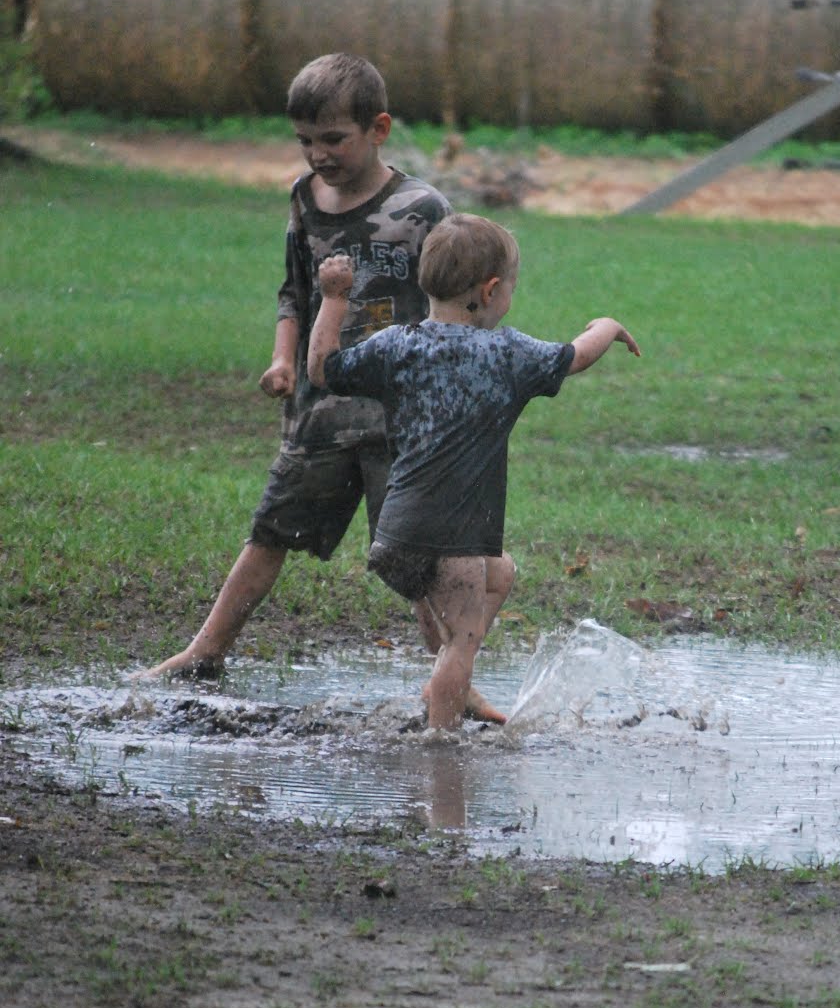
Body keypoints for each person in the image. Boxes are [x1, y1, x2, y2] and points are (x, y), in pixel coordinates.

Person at [141, 53, 508, 715]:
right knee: (270, 532)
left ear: (379, 128)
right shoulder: (303, 200)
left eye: (333, 139)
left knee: (416, 559)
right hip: (320, 413)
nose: (317, 154)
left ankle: (454, 682)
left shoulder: (422, 209)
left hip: (402, 425)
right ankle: (205, 650)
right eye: (305, 141)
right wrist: (283, 360)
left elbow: (452, 308)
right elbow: (295, 294)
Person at [306, 213, 641, 730]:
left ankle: (450, 686)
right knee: (460, 647)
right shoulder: (506, 353)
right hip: (450, 543)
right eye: (511, 286)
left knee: (500, 572)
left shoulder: (399, 345)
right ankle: (442, 749)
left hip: (396, 534)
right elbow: (575, 356)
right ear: (490, 291)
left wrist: (333, 299)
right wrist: (608, 326)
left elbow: (323, 369)